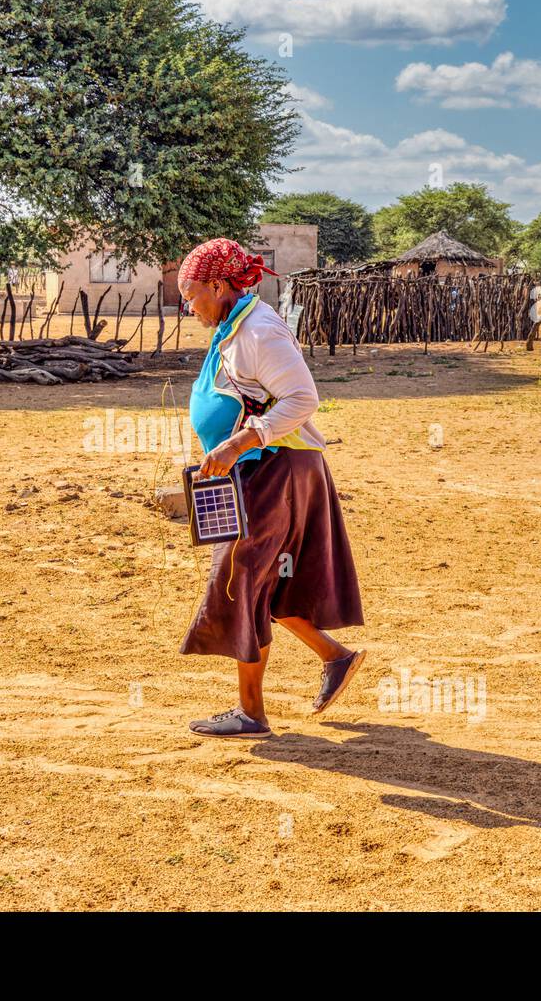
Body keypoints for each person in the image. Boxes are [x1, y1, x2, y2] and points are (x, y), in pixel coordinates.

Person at [179, 237, 365, 739]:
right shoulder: (234, 327)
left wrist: (239, 443)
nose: (188, 304)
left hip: (274, 471)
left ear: (218, 285)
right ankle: (335, 656)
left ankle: (252, 713)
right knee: (265, 584)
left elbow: (303, 399)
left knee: (241, 581)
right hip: (255, 472)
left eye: (191, 293)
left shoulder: (259, 330)